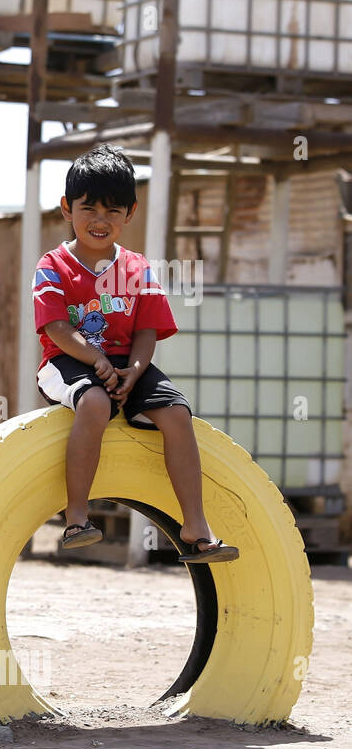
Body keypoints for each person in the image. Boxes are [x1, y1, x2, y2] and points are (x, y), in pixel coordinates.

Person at [32, 143, 238, 563]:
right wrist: (98, 361)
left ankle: (196, 527)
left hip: (129, 363)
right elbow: (57, 328)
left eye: (113, 211)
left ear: (130, 213)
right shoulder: (52, 265)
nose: (100, 220)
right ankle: (76, 516)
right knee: (93, 402)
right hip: (66, 359)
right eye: (89, 208)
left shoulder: (137, 267)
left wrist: (135, 369)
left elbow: (147, 328)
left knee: (178, 413)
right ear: (66, 209)